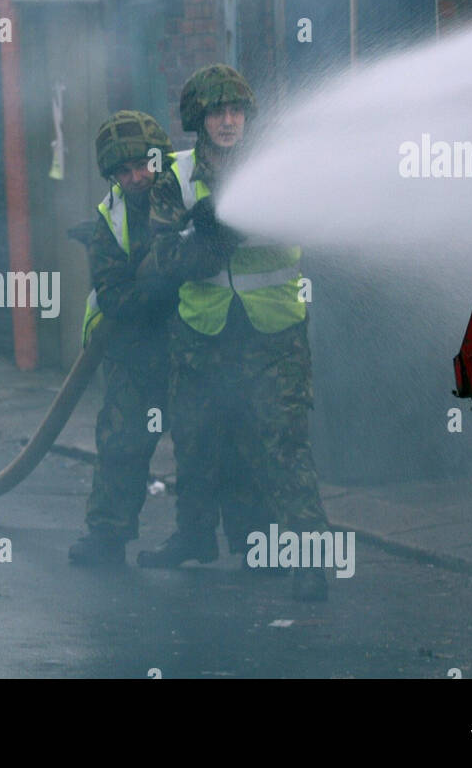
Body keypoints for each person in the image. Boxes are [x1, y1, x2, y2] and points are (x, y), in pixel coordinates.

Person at [135, 64, 332, 601]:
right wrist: (208, 239)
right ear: (198, 118)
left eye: (236, 111)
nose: (228, 120)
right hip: (202, 335)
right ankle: (194, 536)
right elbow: (163, 257)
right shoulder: (174, 175)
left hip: (275, 335)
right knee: (195, 440)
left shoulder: (276, 169)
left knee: (283, 444)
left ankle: (310, 559)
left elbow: (307, 222)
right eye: (217, 112)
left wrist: (230, 224)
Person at [69, 111, 190, 566]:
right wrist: (157, 286)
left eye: (144, 164)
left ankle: (198, 536)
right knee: (121, 441)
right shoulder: (111, 217)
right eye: (124, 171)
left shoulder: (187, 186)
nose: (137, 177)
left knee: (204, 441)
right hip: (134, 350)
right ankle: (107, 536)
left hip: (192, 341)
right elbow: (114, 295)